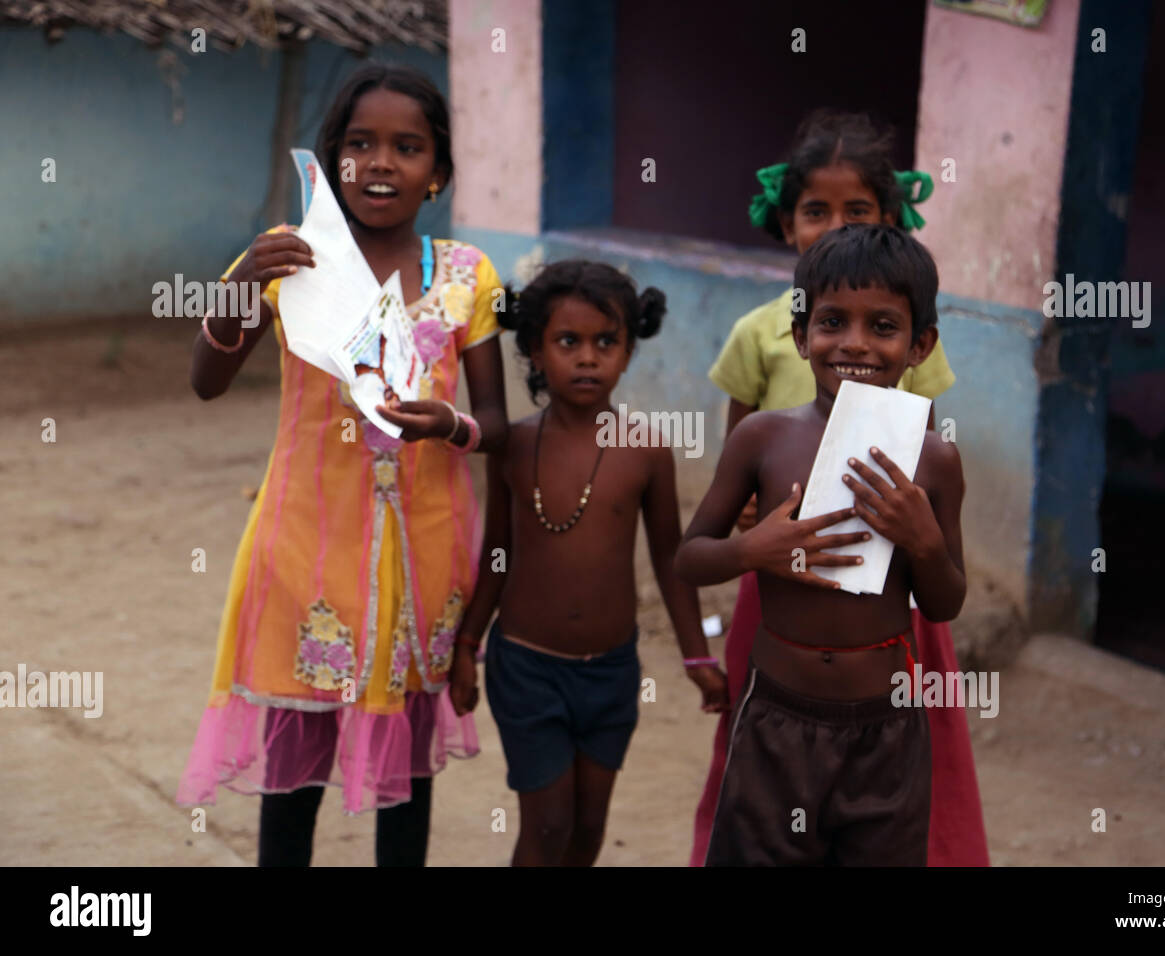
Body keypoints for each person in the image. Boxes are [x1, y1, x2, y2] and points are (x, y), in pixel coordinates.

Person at [176, 64, 509, 867]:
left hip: (428, 551)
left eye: (409, 146)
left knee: (409, 772)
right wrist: (235, 298)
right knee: (296, 765)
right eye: (361, 144)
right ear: (331, 163)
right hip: (304, 549)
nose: (383, 162)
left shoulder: (466, 276)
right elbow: (204, 382)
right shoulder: (284, 262)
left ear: (439, 173)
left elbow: (497, 425)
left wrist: (449, 425)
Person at [692, 108, 988, 866]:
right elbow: (690, 553)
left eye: (882, 328)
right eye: (832, 323)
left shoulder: (933, 458)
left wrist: (922, 538)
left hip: (887, 718)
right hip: (778, 704)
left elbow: (946, 600)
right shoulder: (763, 433)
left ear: (920, 345)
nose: (854, 343)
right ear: (801, 331)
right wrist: (754, 546)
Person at [449, 260, 728, 866]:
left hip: (611, 673)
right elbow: (497, 551)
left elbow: (667, 555)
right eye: (568, 341)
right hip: (526, 668)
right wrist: (468, 643)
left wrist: (696, 654)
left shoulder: (648, 450)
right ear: (534, 350)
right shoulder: (514, 446)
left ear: (629, 352)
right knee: (547, 826)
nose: (588, 358)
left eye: (607, 342)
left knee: (586, 830)